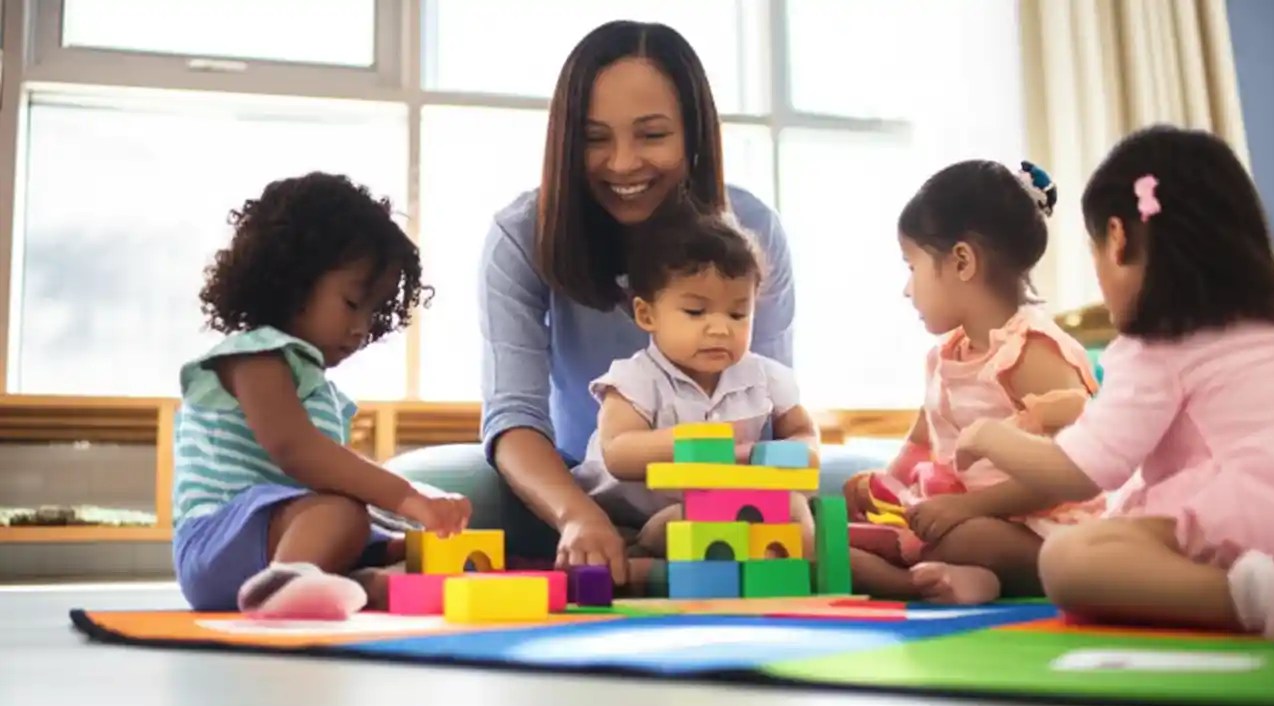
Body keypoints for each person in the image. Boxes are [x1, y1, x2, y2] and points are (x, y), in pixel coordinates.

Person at [478, 20, 803, 586]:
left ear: (694, 134)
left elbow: (772, 407)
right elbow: (515, 416)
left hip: (722, 488)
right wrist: (579, 518)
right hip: (583, 485)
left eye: (652, 135)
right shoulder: (521, 236)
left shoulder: (751, 229)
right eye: (595, 138)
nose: (623, 163)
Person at [955, 125, 1274, 638]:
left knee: (1070, 559)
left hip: (1249, 510)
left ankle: (1255, 600)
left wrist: (987, 436)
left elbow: (1078, 472)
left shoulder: (1158, 343)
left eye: (1094, 250)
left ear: (1118, 238)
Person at [173, 172, 471, 618]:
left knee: (398, 546)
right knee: (344, 513)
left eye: (374, 313)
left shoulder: (312, 383)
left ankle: (346, 585)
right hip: (216, 544)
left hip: (277, 534)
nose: (360, 328)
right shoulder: (254, 356)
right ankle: (281, 588)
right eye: (352, 304)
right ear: (292, 281)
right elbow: (297, 451)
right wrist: (406, 496)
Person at [842, 160, 1104, 604]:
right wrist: (884, 488)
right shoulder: (945, 358)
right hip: (959, 514)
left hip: (1040, 524)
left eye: (912, 266)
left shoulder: (1031, 351)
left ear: (961, 261)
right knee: (837, 527)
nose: (908, 289)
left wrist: (966, 507)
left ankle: (944, 572)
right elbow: (920, 444)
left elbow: (1073, 473)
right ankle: (931, 576)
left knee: (968, 539)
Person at [573, 193, 819, 585]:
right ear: (647, 314)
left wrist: (789, 454)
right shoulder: (634, 378)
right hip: (626, 520)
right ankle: (646, 563)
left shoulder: (764, 376)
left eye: (738, 313)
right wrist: (709, 446)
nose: (720, 328)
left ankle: (785, 589)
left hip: (725, 508)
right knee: (668, 540)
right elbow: (618, 452)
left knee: (796, 511)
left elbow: (803, 434)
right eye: (696, 312)